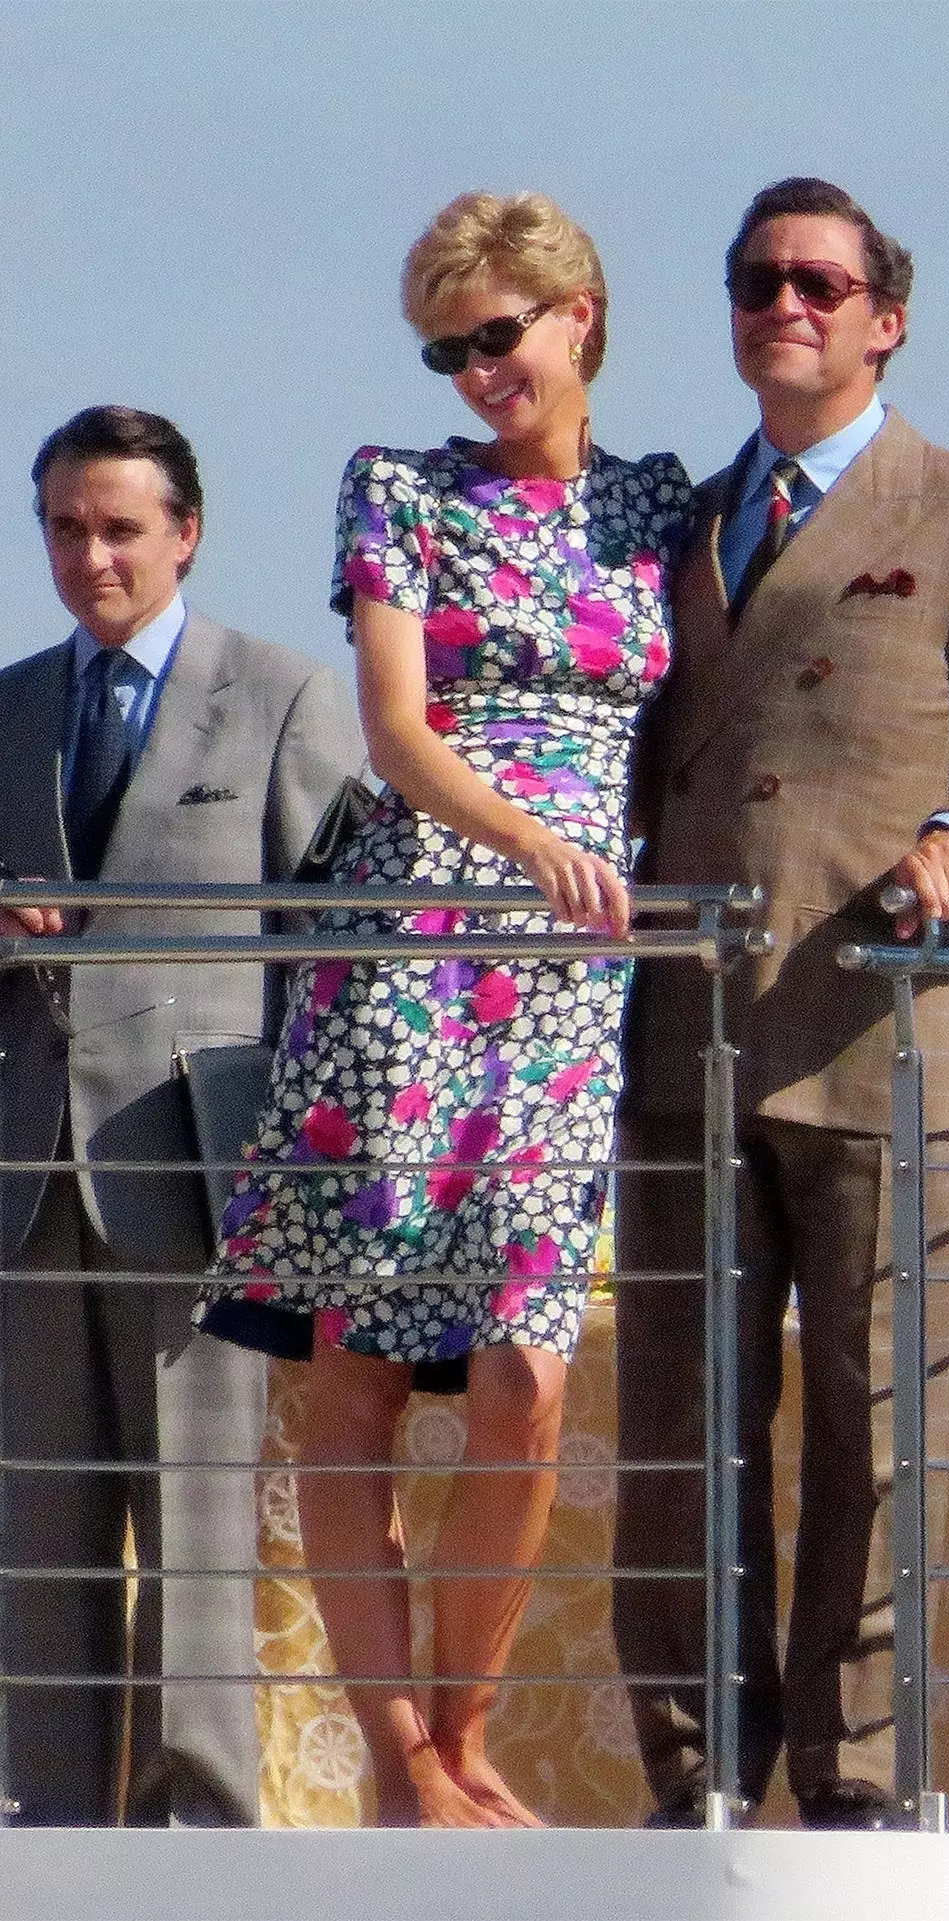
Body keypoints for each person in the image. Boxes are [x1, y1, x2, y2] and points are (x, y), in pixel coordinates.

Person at [612, 177, 949, 1829]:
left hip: (881, 1048)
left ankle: (853, 1789)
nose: (791, 305)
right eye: (761, 281)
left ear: (884, 316)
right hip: (686, 1040)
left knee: (875, 1439)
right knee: (680, 1439)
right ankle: (694, 1778)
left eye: (823, 285)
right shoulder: (677, 525)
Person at [197, 191, 690, 1829]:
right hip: (412, 952)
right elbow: (396, 729)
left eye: (497, 334)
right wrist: (532, 840)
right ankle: (407, 1764)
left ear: (580, 315)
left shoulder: (657, 502)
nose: (474, 371)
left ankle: (465, 1739)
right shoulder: (396, 488)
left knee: (521, 1379)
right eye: (445, 346)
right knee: (355, 1371)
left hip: (568, 986)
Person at [0, 405, 364, 1826]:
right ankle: (42, 1831)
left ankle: (201, 1831)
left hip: (203, 1178)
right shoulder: (10, 705)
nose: (92, 556)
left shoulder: (277, 692)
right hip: (26, 1175)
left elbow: (340, 951)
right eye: (65, 528)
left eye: (120, 528)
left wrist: (323, 1193)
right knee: (42, 1535)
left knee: (199, 1527)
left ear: (186, 534)